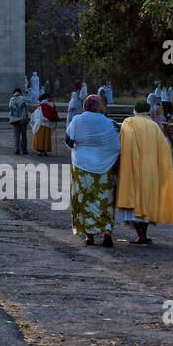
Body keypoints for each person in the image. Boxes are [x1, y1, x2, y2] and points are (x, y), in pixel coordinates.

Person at [115, 101, 173, 245]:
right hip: (151, 171)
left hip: (133, 168)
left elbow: (122, 144)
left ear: (134, 111)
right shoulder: (154, 126)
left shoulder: (128, 122)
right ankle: (142, 235)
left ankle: (142, 237)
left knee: (134, 203)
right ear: (148, 112)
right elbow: (165, 149)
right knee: (146, 202)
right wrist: (165, 169)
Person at [64, 94, 120, 247]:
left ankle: (89, 236)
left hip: (82, 168)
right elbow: (118, 142)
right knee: (105, 200)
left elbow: (68, 140)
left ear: (85, 106)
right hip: (105, 168)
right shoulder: (109, 123)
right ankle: (106, 231)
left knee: (85, 200)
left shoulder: (77, 120)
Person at [8, 88, 29, 154]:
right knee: (23, 135)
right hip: (22, 119)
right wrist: (27, 117)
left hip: (14, 120)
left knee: (16, 135)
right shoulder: (23, 98)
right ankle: (24, 149)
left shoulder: (11, 99)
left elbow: (10, 109)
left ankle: (17, 149)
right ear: (20, 93)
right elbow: (26, 108)